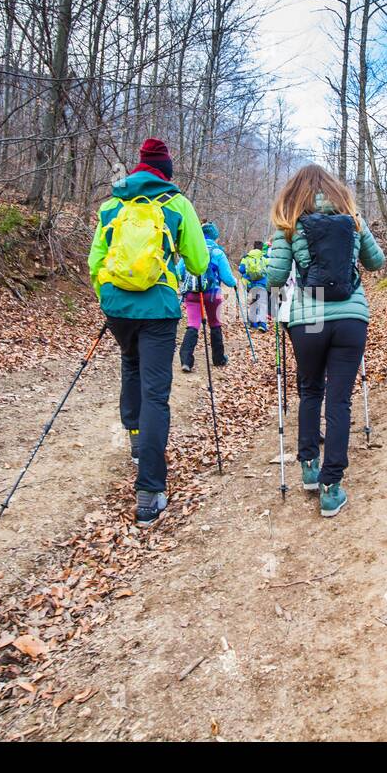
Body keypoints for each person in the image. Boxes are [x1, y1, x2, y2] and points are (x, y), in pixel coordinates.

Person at [88, 138, 208, 528]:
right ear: (167, 169)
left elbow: (95, 262)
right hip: (158, 308)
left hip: (119, 307)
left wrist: (108, 296)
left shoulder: (112, 204)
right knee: (156, 393)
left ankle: (135, 437)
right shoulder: (177, 204)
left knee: (130, 364)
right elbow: (199, 260)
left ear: (138, 168)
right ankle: (150, 491)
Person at [265, 164, 384, 517]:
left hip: (311, 312)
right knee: (339, 400)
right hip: (350, 315)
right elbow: (376, 262)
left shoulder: (290, 222)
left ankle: (308, 467)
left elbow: (274, 275)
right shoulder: (351, 217)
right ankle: (332, 487)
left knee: (311, 390)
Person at [176, 221, 237, 372]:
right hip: (212, 294)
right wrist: (235, 281)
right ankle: (218, 358)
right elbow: (228, 279)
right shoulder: (217, 252)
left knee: (193, 324)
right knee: (215, 323)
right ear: (215, 237)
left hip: (192, 293)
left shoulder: (191, 250)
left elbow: (178, 272)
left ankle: (186, 360)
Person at [239, 240, 270, 331]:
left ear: (254, 247)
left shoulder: (246, 257)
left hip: (250, 285)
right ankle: (262, 324)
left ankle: (253, 323)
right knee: (262, 303)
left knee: (253, 302)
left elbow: (241, 270)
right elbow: (270, 269)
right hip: (263, 284)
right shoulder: (265, 257)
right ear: (261, 248)